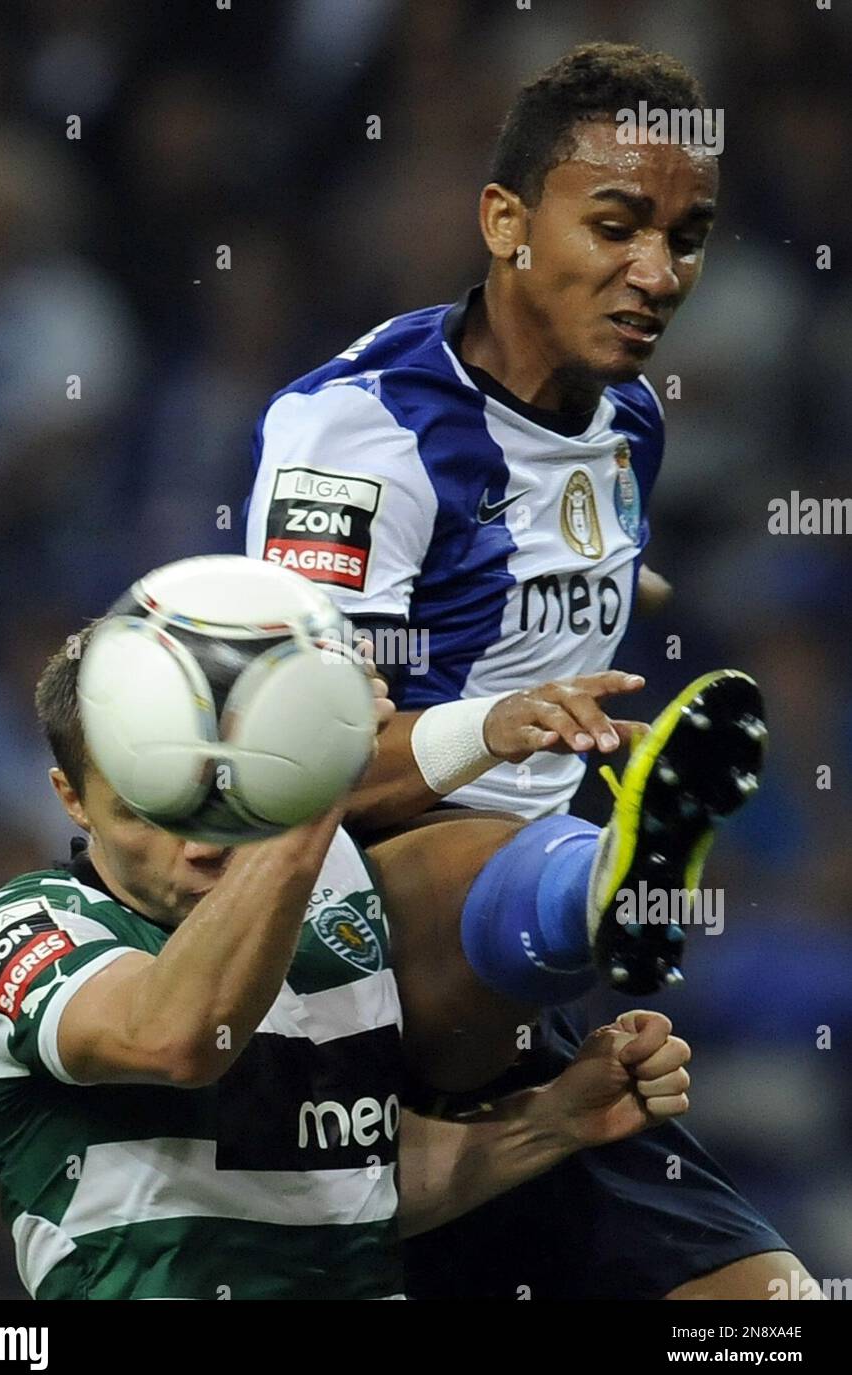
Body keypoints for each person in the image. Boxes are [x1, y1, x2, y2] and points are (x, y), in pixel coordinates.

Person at [246, 42, 812, 1299]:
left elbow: (562, 581)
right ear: (504, 219)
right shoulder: (358, 438)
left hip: (513, 1008)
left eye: (689, 236)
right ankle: (602, 887)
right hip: (336, 958)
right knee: (473, 835)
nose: (658, 274)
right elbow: (291, 784)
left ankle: (592, 890)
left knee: (765, 1309)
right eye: (615, 225)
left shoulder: (630, 424)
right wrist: (490, 726)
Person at [0, 612, 718, 1300]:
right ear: (70, 797)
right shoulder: (17, 933)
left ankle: (590, 883)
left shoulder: (335, 889)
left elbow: (344, 1188)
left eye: (223, 787)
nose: (204, 838)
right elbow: (173, 1038)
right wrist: (308, 800)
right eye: (154, 802)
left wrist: (552, 1122)